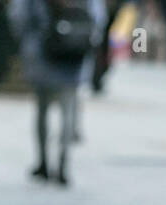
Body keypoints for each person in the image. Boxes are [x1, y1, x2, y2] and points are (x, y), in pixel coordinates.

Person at [10, 0, 107, 186]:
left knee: (42, 108)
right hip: (75, 47)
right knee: (68, 108)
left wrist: (28, 39)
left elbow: (19, 14)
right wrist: (86, 36)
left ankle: (44, 161)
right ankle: (63, 163)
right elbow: (98, 16)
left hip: (42, 48)